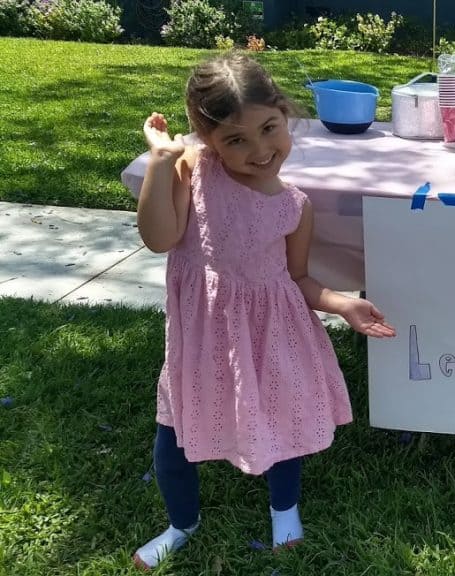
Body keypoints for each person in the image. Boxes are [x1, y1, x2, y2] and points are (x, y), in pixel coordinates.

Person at [133, 51, 396, 570]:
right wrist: (161, 163)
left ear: (284, 113)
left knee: (279, 423)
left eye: (269, 129)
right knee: (174, 434)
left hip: (272, 335)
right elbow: (159, 239)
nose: (259, 151)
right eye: (236, 139)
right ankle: (181, 523)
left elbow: (298, 280)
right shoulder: (193, 171)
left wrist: (343, 303)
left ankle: (285, 508)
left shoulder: (295, 205)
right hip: (201, 339)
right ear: (208, 141)